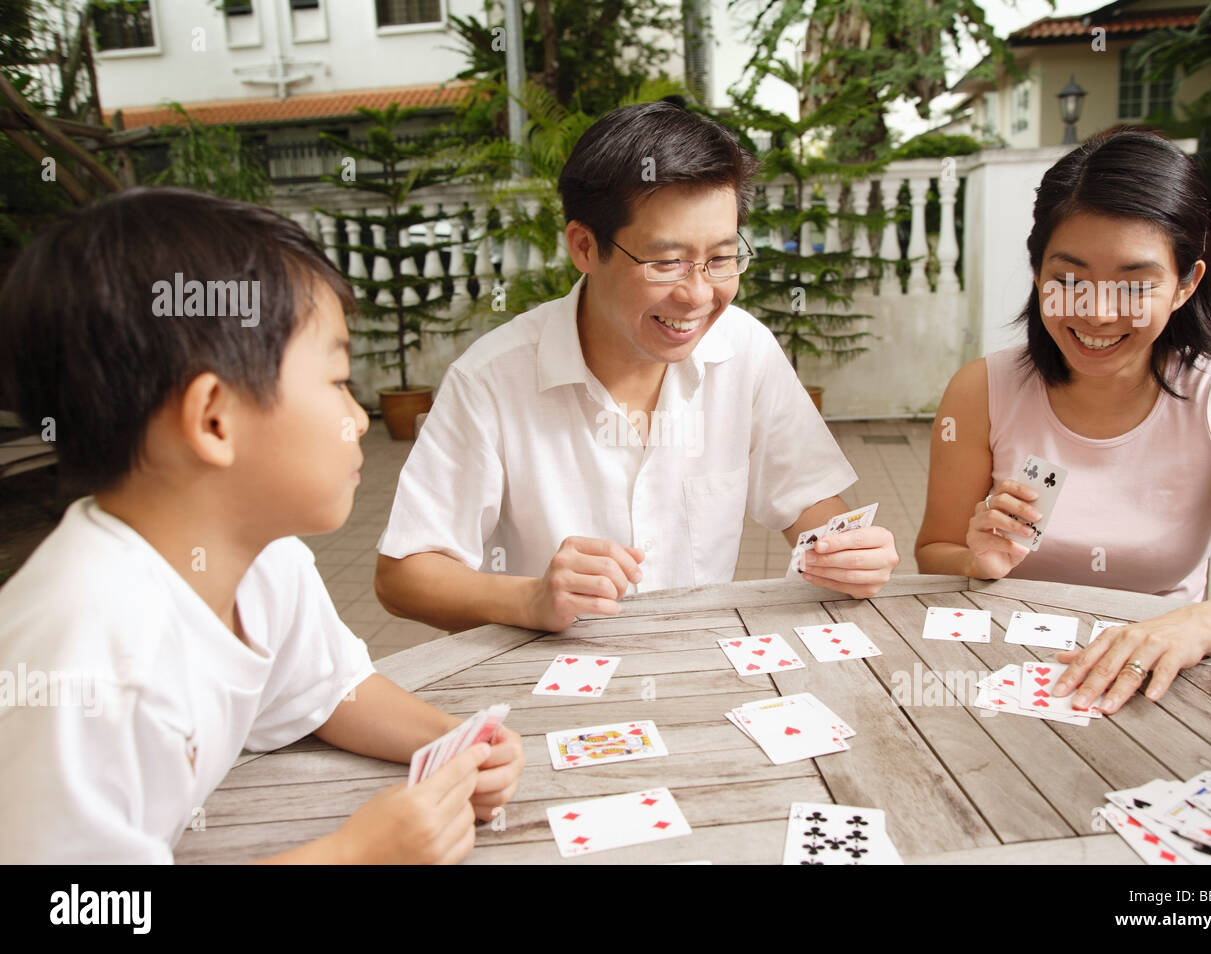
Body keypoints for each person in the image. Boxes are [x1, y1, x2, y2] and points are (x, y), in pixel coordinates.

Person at [0, 188, 523, 863]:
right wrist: (354, 856)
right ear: (214, 419)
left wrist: (455, 742)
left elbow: (331, 692)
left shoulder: (261, 558)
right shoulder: (89, 652)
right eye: (338, 380)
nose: (361, 419)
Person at [374, 100, 899, 633]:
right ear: (584, 246)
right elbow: (404, 575)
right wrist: (532, 598)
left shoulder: (745, 349)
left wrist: (850, 553)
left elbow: (810, 507)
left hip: (698, 668)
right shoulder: (490, 380)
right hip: (548, 687)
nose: (697, 295)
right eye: (666, 262)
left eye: (720, 258)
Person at [915, 129, 1211, 715]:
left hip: (1162, 689)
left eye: (1134, 284)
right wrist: (975, 559)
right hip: (1002, 677)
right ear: (1037, 271)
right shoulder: (980, 391)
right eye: (1068, 278)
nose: (1096, 312)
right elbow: (935, 551)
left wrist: (1195, 627)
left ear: (1186, 284)